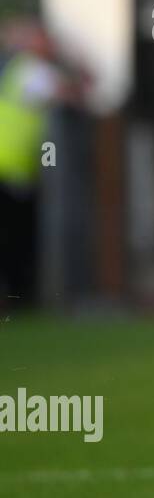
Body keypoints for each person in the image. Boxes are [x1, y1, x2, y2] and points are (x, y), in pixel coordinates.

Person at [0, 18, 88, 309]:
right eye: (44, 39)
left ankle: (18, 298)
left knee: (17, 239)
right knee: (17, 240)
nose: (50, 45)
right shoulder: (29, 69)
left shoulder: (19, 69)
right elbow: (72, 94)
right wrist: (78, 67)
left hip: (17, 170)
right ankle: (20, 299)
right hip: (10, 169)